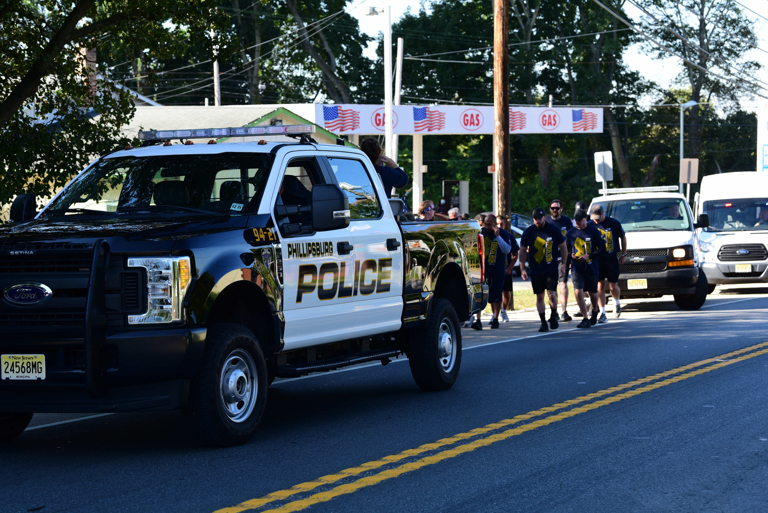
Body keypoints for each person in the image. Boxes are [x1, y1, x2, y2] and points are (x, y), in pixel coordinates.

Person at [519, 208, 568, 332]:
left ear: (544, 218)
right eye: (535, 219)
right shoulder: (529, 232)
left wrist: (563, 265)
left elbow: (563, 247)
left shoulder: (554, 230)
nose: (537, 221)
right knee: (539, 296)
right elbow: (522, 250)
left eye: (539, 218)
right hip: (536, 269)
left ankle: (553, 315)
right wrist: (522, 268)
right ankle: (543, 322)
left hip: (551, 268)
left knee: (551, 294)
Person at [567, 210, 606, 328]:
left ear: (585, 218)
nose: (577, 222)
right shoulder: (570, 233)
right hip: (576, 267)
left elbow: (603, 249)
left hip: (591, 266)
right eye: (576, 220)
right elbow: (566, 250)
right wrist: (571, 257)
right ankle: (585, 318)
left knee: (593, 294)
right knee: (578, 291)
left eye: (580, 220)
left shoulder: (593, 231)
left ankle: (595, 310)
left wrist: (590, 256)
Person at [590, 205, 628, 323]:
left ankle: (617, 303)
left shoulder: (613, 223)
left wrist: (623, 254)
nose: (596, 220)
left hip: (611, 258)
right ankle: (602, 312)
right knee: (600, 286)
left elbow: (623, 237)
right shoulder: (590, 225)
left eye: (598, 217)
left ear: (603, 213)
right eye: (594, 217)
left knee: (613, 286)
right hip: (598, 259)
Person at [479, 214, 513, 329]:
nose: (487, 226)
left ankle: (496, 318)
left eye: (489, 224)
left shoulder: (503, 234)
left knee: (497, 294)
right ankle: (480, 319)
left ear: (494, 224)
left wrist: (498, 237)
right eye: (485, 224)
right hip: (484, 269)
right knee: (487, 295)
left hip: (498, 269)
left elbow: (507, 250)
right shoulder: (481, 232)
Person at [546, 199, 573, 322]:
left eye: (557, 208)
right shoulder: (546, 222)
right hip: (549, 258)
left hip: (564, 257)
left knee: (563, 284)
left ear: (561, 209)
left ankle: (564, 311)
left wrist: (571, 256)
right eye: (553, 208)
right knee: (551, 288)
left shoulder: (566, 221)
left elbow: (573, 238)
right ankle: (554, 311)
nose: (555, 210)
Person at [497, 216, 519, 322]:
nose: (499, 226)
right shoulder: (490, 236)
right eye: (497, 224)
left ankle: (504, 311)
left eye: (501, 224)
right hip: (495, 269)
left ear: (505, 225)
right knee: (495, 292)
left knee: (506, 291)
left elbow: (515, 254)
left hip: (506, 269)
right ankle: (494, 314)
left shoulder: (509, 236)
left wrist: (510, 268)